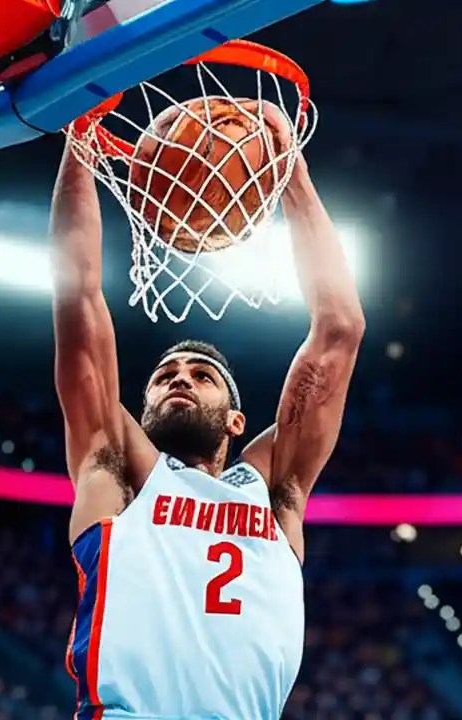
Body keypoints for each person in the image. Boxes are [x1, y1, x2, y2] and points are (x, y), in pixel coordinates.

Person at [52, 132, 364, 720]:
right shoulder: (116, 472)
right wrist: (79, 143)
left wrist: (288, 169)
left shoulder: (277, 494)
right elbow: (78, 301)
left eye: (201, 375)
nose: (179, 379)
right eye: (165, 374)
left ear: (237, 420)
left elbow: (340, 327)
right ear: (141, 410)